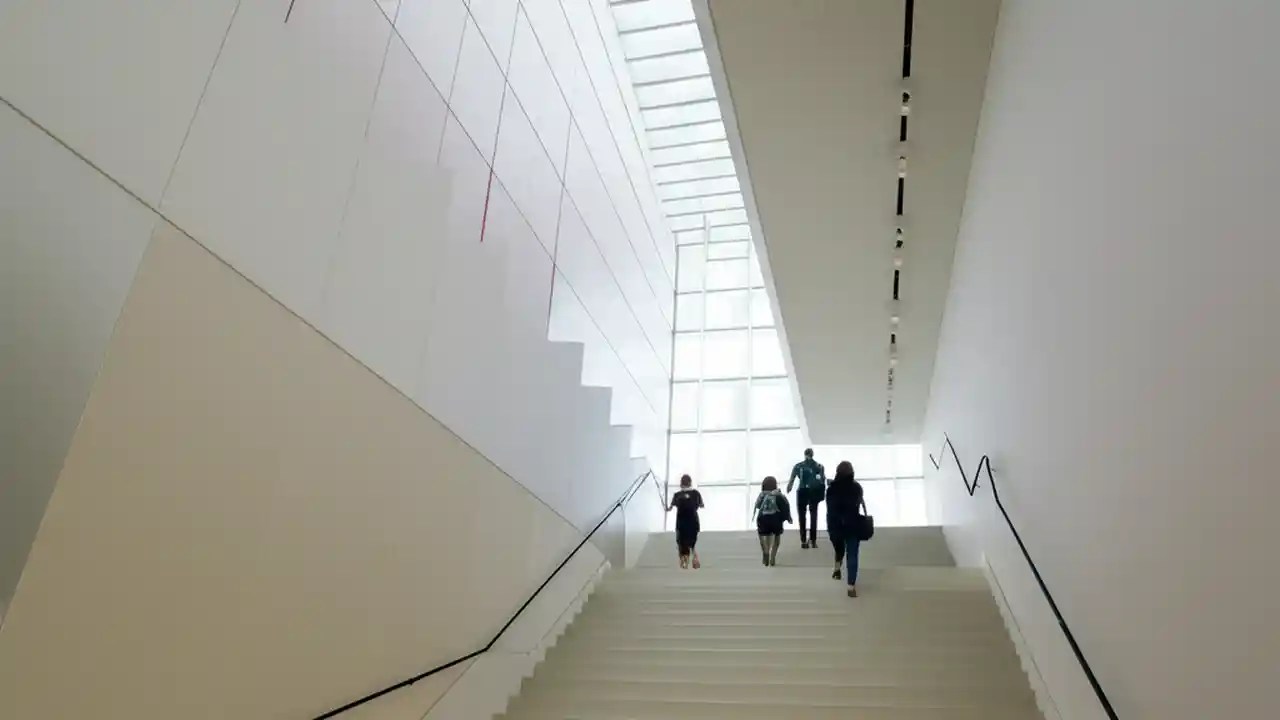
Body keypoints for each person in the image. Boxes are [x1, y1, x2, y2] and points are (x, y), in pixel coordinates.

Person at [825, 461, 867, 597]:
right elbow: (858, 504)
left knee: (839, 549)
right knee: (852, 554)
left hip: (835, 525)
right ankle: (851, 586)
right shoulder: (856, 488)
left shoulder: (831, 489)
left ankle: (837, 569)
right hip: (853, 524)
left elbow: (830, 509)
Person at [787, 448, 826, 549]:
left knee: (802, 516)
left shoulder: (798, 466)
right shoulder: (819, 466)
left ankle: (803, 540)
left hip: (802, 491)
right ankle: (813, 540)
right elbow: (822, 479)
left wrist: (789, 487)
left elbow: (792, 478)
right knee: (814, 515)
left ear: (805, 454)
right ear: (812, 454)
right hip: (814, 492)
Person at [752, 476, 792, 567]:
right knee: (777, 538)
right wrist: (787, 518)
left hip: (763, 519)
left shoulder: (762, 495)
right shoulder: (778, 494)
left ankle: (765, 551)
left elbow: (758, 506)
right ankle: (772, 557)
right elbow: (785, 506)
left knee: (762, 535)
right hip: (775, 519)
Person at [667, 475, 704, 569]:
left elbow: (669, 508)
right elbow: (701, 505)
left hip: (681, 523)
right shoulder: (696, 493)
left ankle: (684, 561)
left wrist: (668, 507)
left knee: (682, 543)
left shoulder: (677, 495)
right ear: (690, 482)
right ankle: (695, 558)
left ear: (681, 483)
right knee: (692, 542)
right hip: (693, 521)